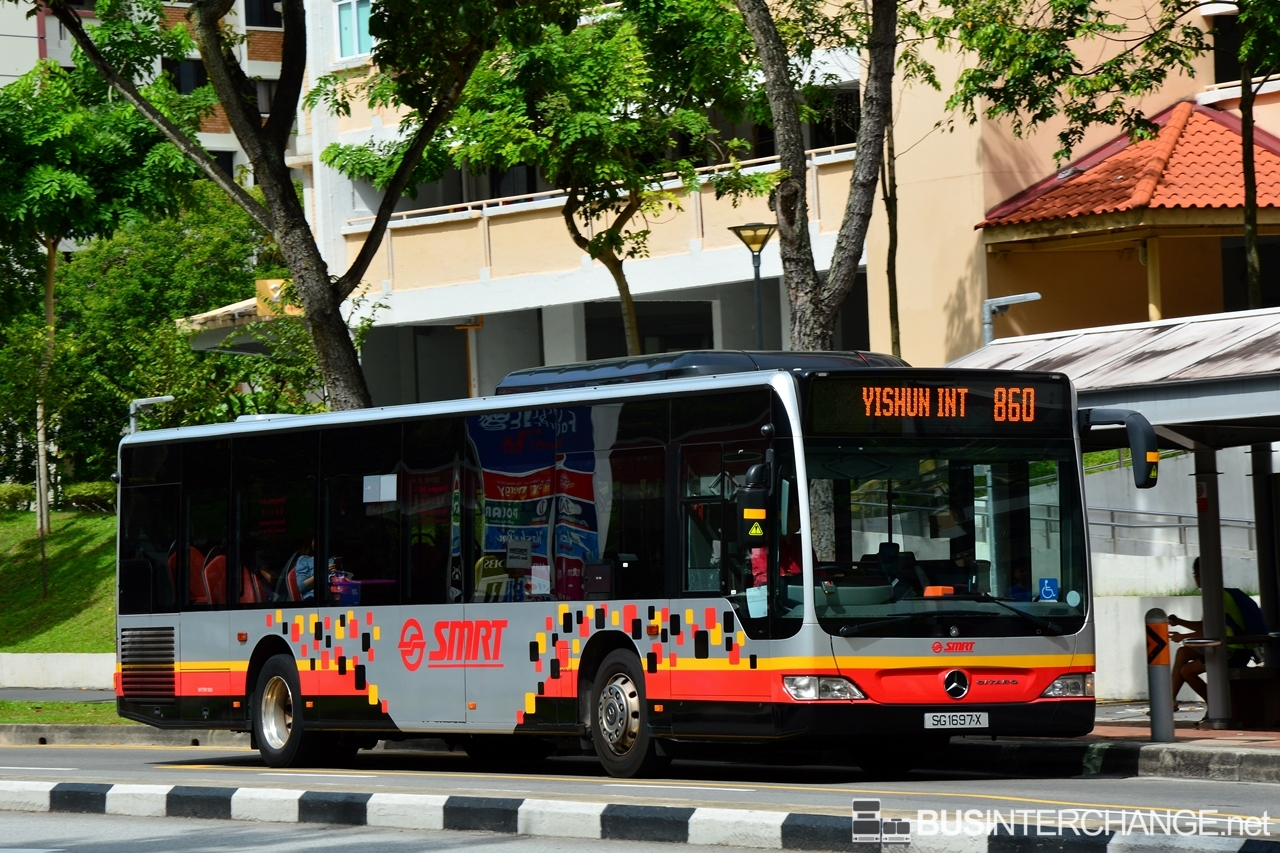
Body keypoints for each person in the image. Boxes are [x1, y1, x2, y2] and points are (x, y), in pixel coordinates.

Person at [1168, 557, 1257, 708]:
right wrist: (1180, 622)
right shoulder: (1217, 594)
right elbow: (1206, 627)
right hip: (1226, 646)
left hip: (1234, 651)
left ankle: (1215, 706)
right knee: (1183, 653)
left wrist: (1182, 636)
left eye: (1199, 574)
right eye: (1195, 574)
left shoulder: (1218, 597)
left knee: (1187, 671)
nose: (1197, 578)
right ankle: (1170, 701)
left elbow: (1206, 631)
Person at [751, 486, 803, 587]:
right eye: (795, 513)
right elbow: (761, 580)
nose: (799, 518)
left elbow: (818, 575)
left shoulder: (802, 545)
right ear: (782, 516)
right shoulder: (764, 546)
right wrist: (784, 579)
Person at [295, 533, 317, 600]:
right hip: (313, 598)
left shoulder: (331, 559)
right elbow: (301, 587)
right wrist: (322, 572)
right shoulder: (304, 560)